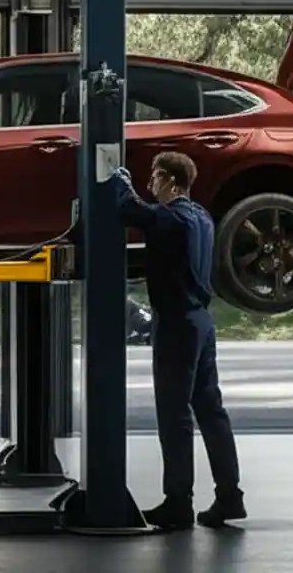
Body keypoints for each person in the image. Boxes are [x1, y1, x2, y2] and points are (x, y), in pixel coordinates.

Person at [107, 151, 246, 530]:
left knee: (175, 416)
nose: (150, 184)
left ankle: (179, 502)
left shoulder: (170, 218)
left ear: (170, 180)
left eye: (153, 178)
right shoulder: (202, 217)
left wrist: (118, 178)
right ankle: (230, 496)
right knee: (211, 411)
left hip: (176, 327)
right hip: (202, 323)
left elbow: (128, 211)